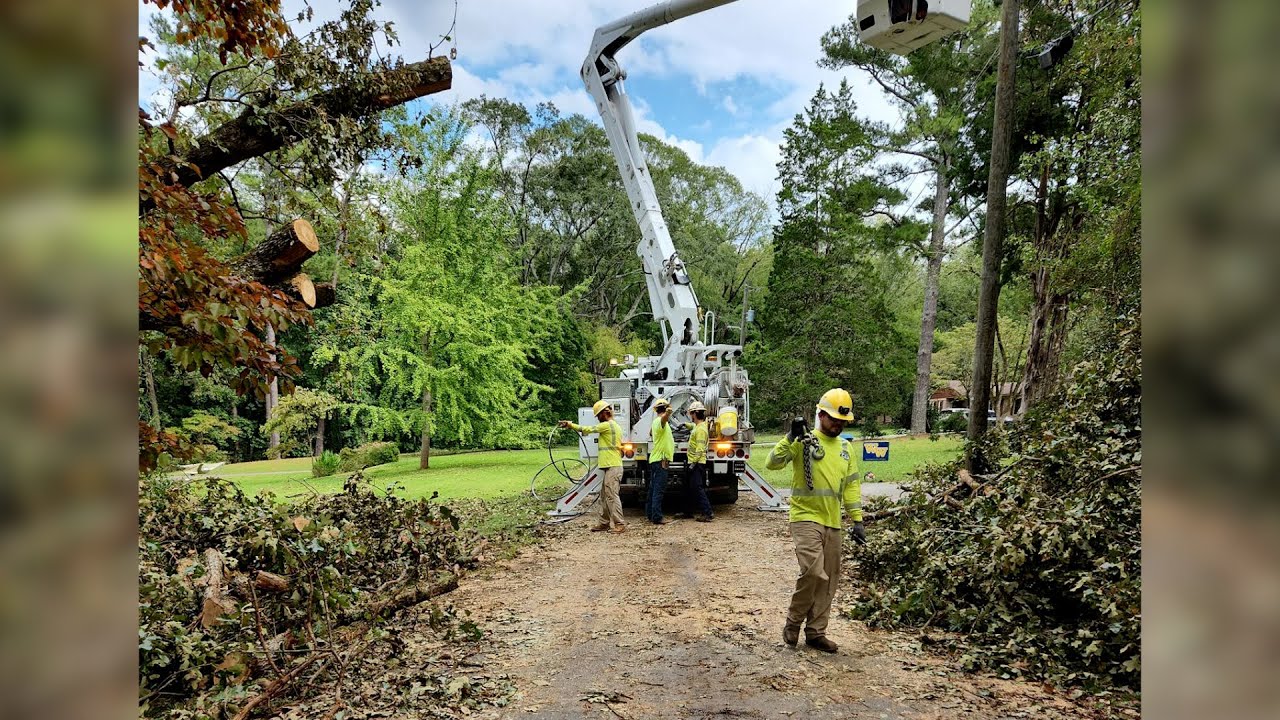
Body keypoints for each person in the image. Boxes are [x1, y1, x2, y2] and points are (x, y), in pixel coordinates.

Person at [765, 388, 864, 653]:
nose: (838, 425)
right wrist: (790, 437)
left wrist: (857, 520)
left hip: (833, 521)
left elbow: (851, 486)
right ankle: (793, 622)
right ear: (821, 415)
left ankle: (816, 632)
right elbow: (772, 463)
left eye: (843, 422)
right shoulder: (804, 441)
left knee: (829, 579)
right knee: (813, 571)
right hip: (805, 517)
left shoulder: (845, 448)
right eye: (834, 420)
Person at [559, 400, 626, 533]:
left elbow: (588, 429)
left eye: (598, 415)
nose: (597, 418)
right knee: (605, 496)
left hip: (613, 466)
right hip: (611, 465)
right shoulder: (614, 425)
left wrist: (570, 425)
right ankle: (604, 523)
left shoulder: (607, 425)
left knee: (612, 496)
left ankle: (620, 524)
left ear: (603, 413)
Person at [646, 398, 676, 525]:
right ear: (664, 409)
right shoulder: (660, 421)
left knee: (653, 489)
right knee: (658, 490)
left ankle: (650, 514)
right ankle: (657, 517)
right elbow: (663, 420)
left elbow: (651, 433)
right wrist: (668, 413)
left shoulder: (656, 423)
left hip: (656, 460)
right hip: (660, 461)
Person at [682, 401, 713, 522]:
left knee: (697, 488)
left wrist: (693, 464)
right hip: (694, 462)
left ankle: (707, 513)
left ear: (694, 414)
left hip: (697, 463)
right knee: (688, 488)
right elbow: (693, 427)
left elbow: (700, 449)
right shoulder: (699, 426)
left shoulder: (701, 430)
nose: (690, 415)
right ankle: (687, 511)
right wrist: (684, 424)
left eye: (691, 413)